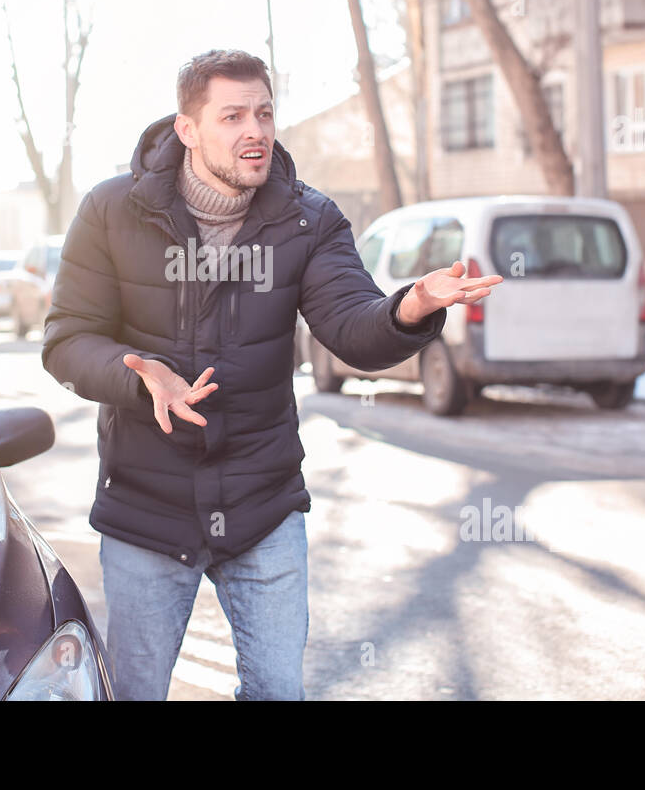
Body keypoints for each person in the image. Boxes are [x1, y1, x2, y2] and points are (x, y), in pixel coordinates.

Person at [41, 49, 502, 700]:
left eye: (263, 112)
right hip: (147, 508)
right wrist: (135, 375)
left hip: (263, 507)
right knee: (134, 692)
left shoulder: (307, 220)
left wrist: (412, 306)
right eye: (232, 116)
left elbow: (351, 327)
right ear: (189, 130)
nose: (254, 130)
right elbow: (67, 339)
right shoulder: (113, 212)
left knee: (279, 692)